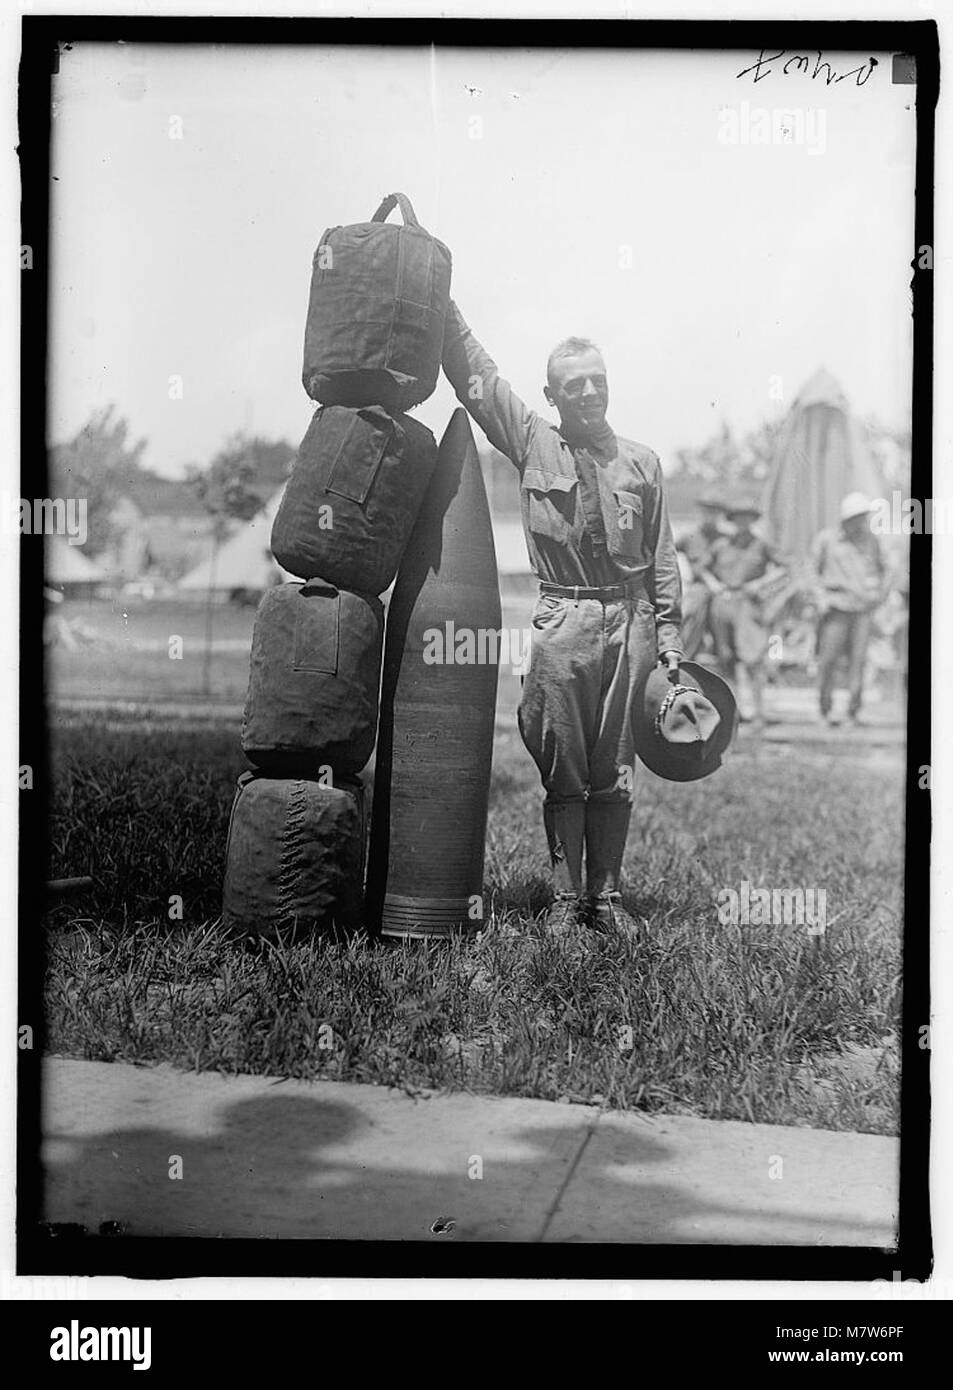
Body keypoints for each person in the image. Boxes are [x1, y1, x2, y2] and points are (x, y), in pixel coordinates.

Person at [441, 300, 683, 939]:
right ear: (552, 396)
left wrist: (669, 635)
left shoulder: (642, 463)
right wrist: (442, 302)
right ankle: (563, 898)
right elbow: (478, 379)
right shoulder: (532, 441)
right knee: (563, 766)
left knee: (617, 767)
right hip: (562, 617)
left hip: (629, 619)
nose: (590, 393)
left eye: (598, 381)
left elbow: (661, 557)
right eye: (575, 385)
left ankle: (607, 898)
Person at [811, 492, 888, 726]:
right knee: (828, 660)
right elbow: (811, 571)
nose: (860, 521)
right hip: (835, 608)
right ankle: (824, 710)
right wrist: (820, 597)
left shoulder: (871, 540)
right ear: (845, 518)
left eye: (863, 516)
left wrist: (879, 596)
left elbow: (885, 569)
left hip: (862, 609)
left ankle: (852, 712)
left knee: (858, 661)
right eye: (856, 516)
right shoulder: (827, 539)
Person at [707, 500, 786, 725]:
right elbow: (702, 568)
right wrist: (713, 584)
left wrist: (761, 583)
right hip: (723, 603)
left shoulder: (761, 545)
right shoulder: (722, 545)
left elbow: (783, 568)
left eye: (747, 517)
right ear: (732, 520)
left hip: (748, 604)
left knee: (753, 659)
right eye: (738, 517)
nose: (742, 521)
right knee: (726, 658)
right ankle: (734, 712)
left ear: (753, 520)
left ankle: (759, 712)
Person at [678, 494, 728, 659]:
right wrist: (682, 573)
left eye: (714, 512)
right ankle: (686, 656)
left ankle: (727, 657)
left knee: (727, 616)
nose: (710, 516)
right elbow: (668, 553)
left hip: (723, 588)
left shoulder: (725, 539)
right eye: (706, 511)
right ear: (699, 512)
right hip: (698, 586)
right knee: (692, 612)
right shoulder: (689, 536)